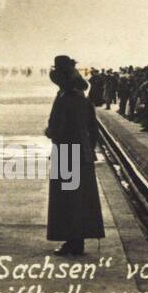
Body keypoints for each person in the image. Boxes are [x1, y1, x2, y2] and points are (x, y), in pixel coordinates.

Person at [44, 54, 105, 256]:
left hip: (67, 153)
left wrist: (50, 133)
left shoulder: (66, 98)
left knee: (68, 199)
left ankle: (73, 241)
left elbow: (59, 128)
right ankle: (75, 240)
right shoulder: (80, 98)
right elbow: (93, 129)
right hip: (78, 153)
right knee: (77, 199)